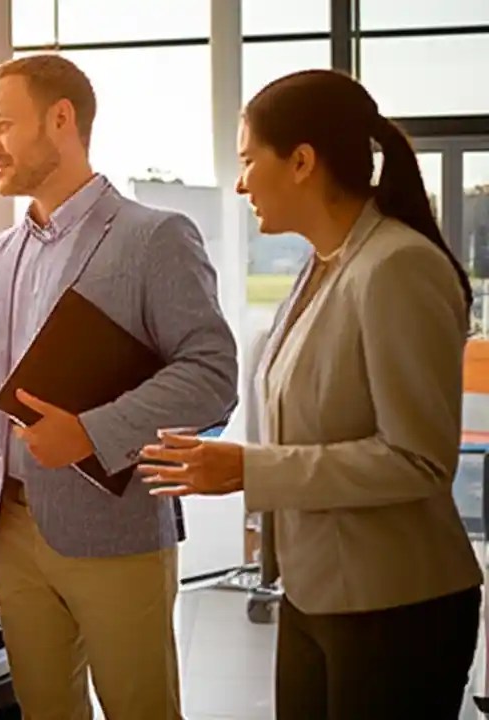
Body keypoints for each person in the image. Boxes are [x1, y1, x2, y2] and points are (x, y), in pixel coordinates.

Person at [0, 54, 238, 719]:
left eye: (2, 125)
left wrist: (92, 432)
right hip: (9, 531)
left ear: (61, 120)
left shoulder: (152, 237)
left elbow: (212, 375)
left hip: (116, 534)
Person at [140, 69, 483, 719]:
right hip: (316, 593)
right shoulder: (324, 266)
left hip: (395, 607)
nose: (240, 184)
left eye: (247, 161)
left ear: (301, 162)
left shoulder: (397, 267)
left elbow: (419, 458)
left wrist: (249, 469)